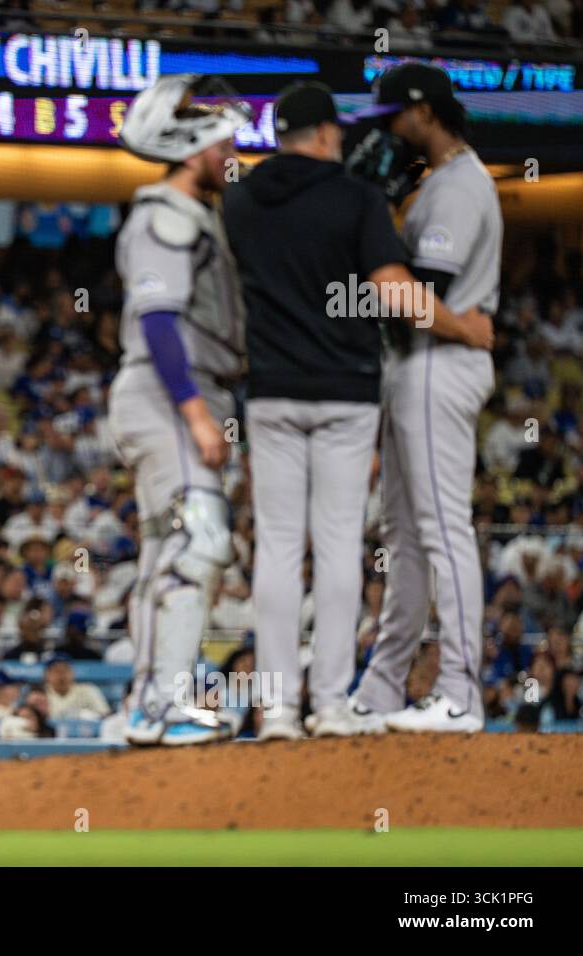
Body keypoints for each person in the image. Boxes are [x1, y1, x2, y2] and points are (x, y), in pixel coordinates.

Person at [222, 82, 493, 740]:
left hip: (273, 387)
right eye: (336, 131)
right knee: (342, 546)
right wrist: (464, 328)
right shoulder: (355, 197)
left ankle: (281, 707)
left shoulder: (239, 198)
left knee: (279, 549)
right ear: (322, 133)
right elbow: (394, 291)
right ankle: (333, 703)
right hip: (345, 390)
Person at [350, 64, 503, 734]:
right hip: (417, 367)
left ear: (425, 112)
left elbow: (418, 298)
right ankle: (382, 688)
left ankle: (463, 694)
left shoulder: (462, 184)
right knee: (406, 537)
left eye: (395, 116)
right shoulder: (437, 182)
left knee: (442, 532)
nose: (388, 129)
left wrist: (375, 219)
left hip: (442, 362)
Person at [108, 74, 249, 746]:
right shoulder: (167, 212)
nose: (234, 152)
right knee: (200, 540)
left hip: (177, 393)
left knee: (168, 550)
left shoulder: (190, 213)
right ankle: (161, 706)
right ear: (192, 146)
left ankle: (144, 706)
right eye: (225, 139)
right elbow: (159, 319)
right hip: (168, 393)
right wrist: (195, 412)